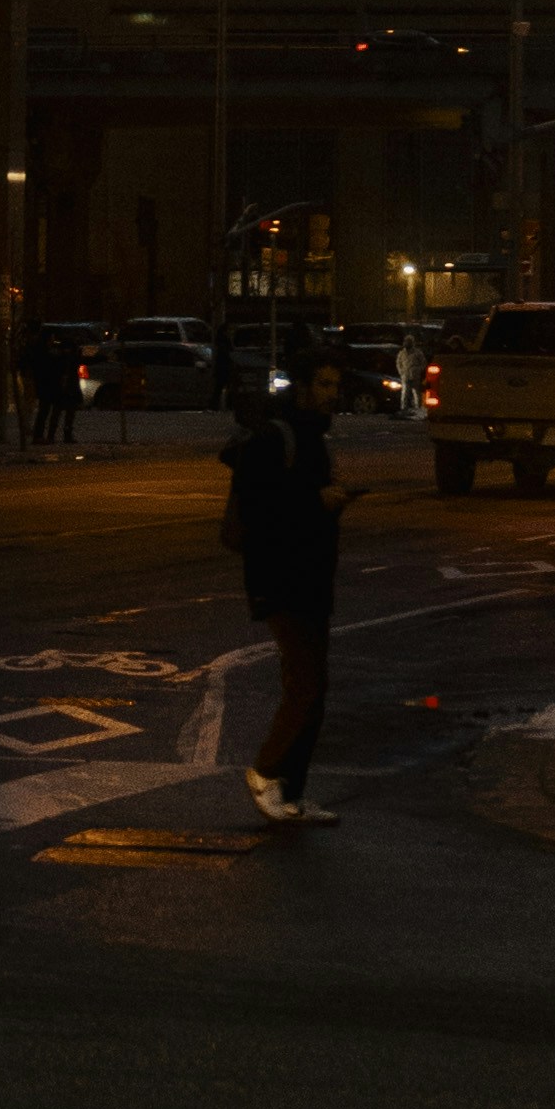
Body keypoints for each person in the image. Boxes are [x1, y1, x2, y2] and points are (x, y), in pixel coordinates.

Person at [225, 354, 354, 827]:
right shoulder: (277, 437)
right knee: (305, 684)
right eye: (323, 382)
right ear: (301, 386)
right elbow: (264, 510)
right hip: (282, 579)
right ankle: (266, 772)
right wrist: (317, 501)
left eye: (335, 383)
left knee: (315, 687)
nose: (331, 392)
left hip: (311, 577)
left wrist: (332, 503)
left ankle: (292, 794)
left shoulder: (314, 437)